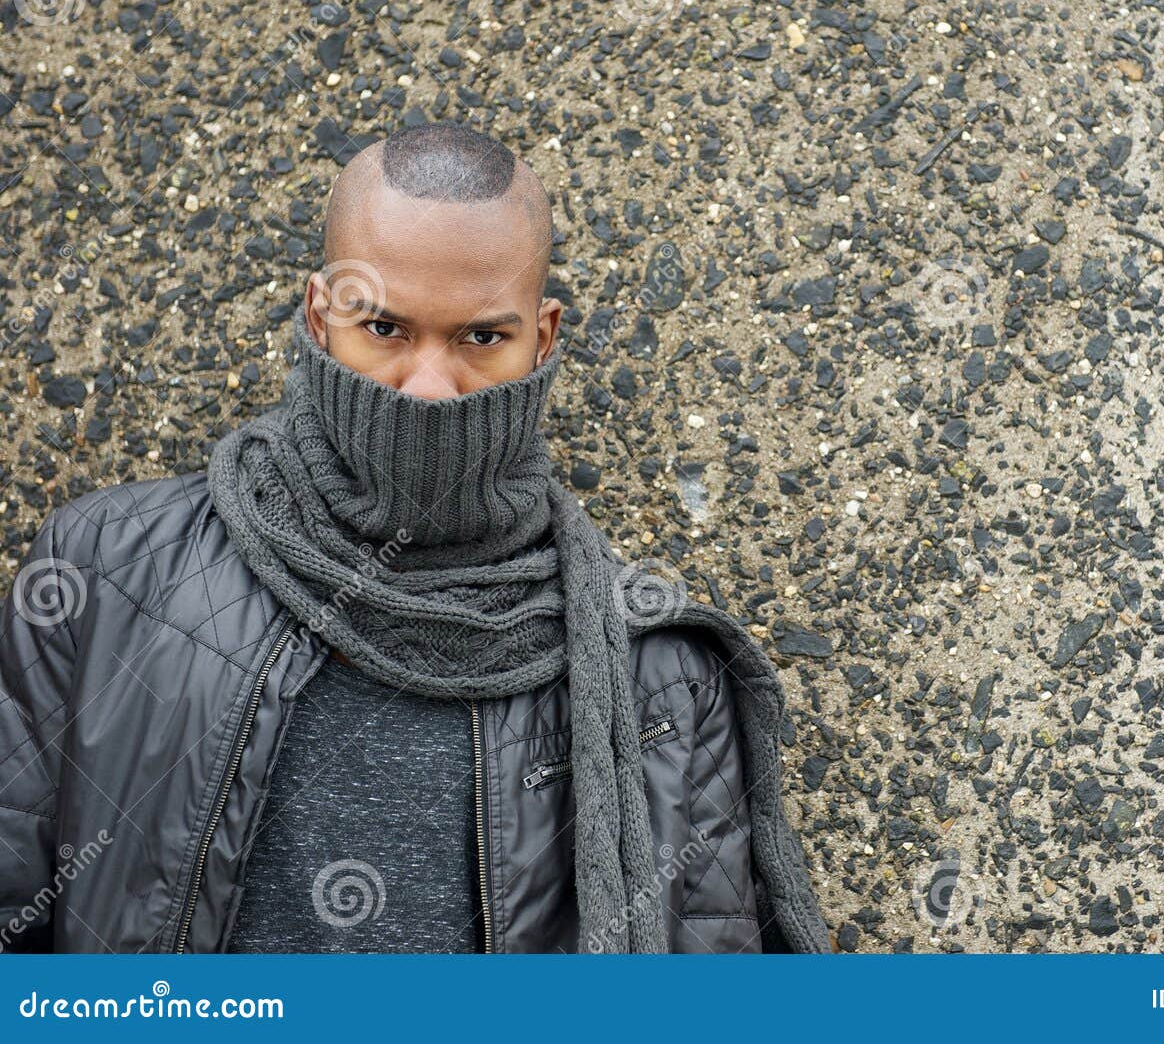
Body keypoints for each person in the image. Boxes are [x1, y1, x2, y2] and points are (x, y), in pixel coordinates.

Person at [0, 121, 830, 954]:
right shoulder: (107, 571)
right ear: (321, 315)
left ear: (540, 340)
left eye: (480, 337)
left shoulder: (657, 675)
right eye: (386, 330)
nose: (430, 389)